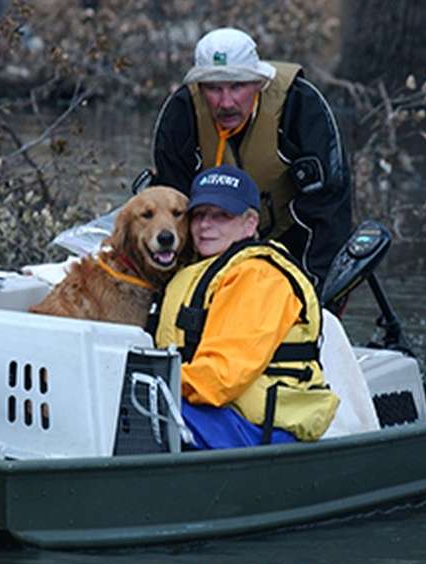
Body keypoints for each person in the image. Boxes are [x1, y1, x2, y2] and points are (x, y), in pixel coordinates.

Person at [149, 27, 351, 291]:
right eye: (213, 88)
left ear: (259, 83)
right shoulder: (182, 114)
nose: (226, 102)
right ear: (199, 87)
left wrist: (318, 290)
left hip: (290, 240)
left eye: (237, 86)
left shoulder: (300, 106)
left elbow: (329, 207)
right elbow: (171, 205)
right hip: (209, 243)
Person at [155, 165, 339, 449]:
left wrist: (146, 384)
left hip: (257, 430)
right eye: (199, 215)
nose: (205, 225)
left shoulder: (260, 277)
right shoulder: (201, 270)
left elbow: (219, 378)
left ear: (250, 223)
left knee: (137, 410)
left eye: (221, 216)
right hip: (216, 413)